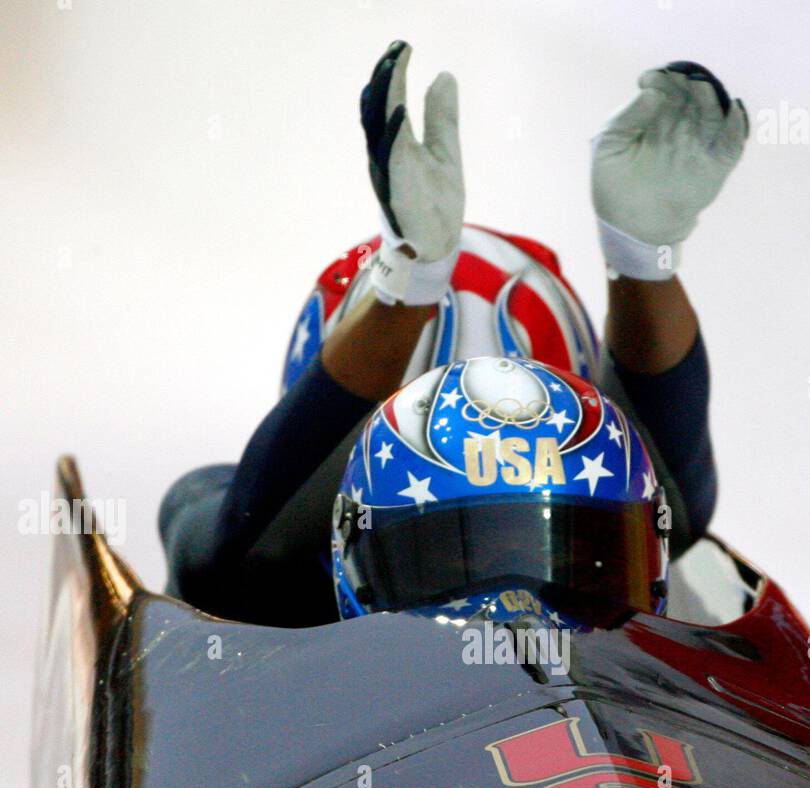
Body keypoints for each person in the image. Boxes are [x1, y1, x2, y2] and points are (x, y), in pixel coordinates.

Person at [159, 41, 748, 628]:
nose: (516, 623)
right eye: (447, 553)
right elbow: (227, 547)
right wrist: (641, 266)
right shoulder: (240, 555)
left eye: (572, 556)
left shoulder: (653, 520)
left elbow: (674, 508)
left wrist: (642, 259)